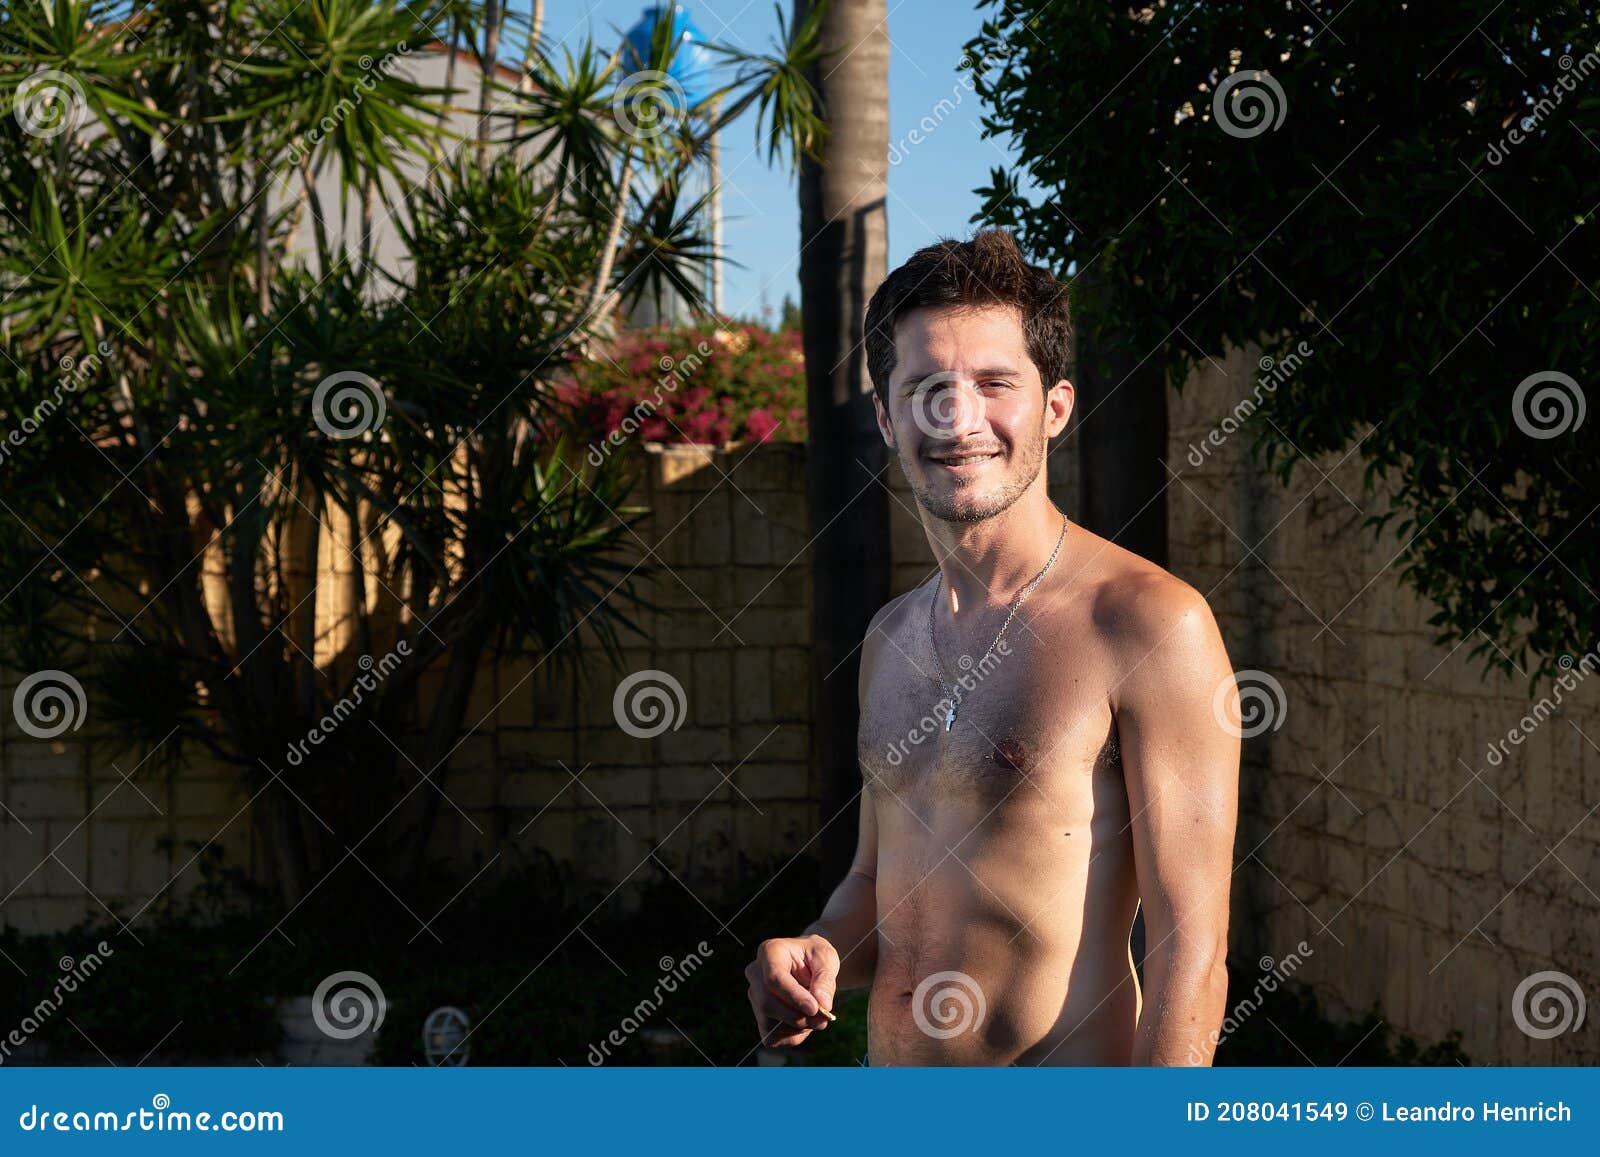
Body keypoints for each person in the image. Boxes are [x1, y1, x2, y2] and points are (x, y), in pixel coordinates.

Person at [745, 229, 1241, 1065]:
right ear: (885, 414)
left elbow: (1191, 951)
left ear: (1055, 405)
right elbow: (875, 884)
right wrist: (821, 947)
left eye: (993, 382)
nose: (955, 416)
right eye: (926, 386)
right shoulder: (890, 638)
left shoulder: (1148, 623)